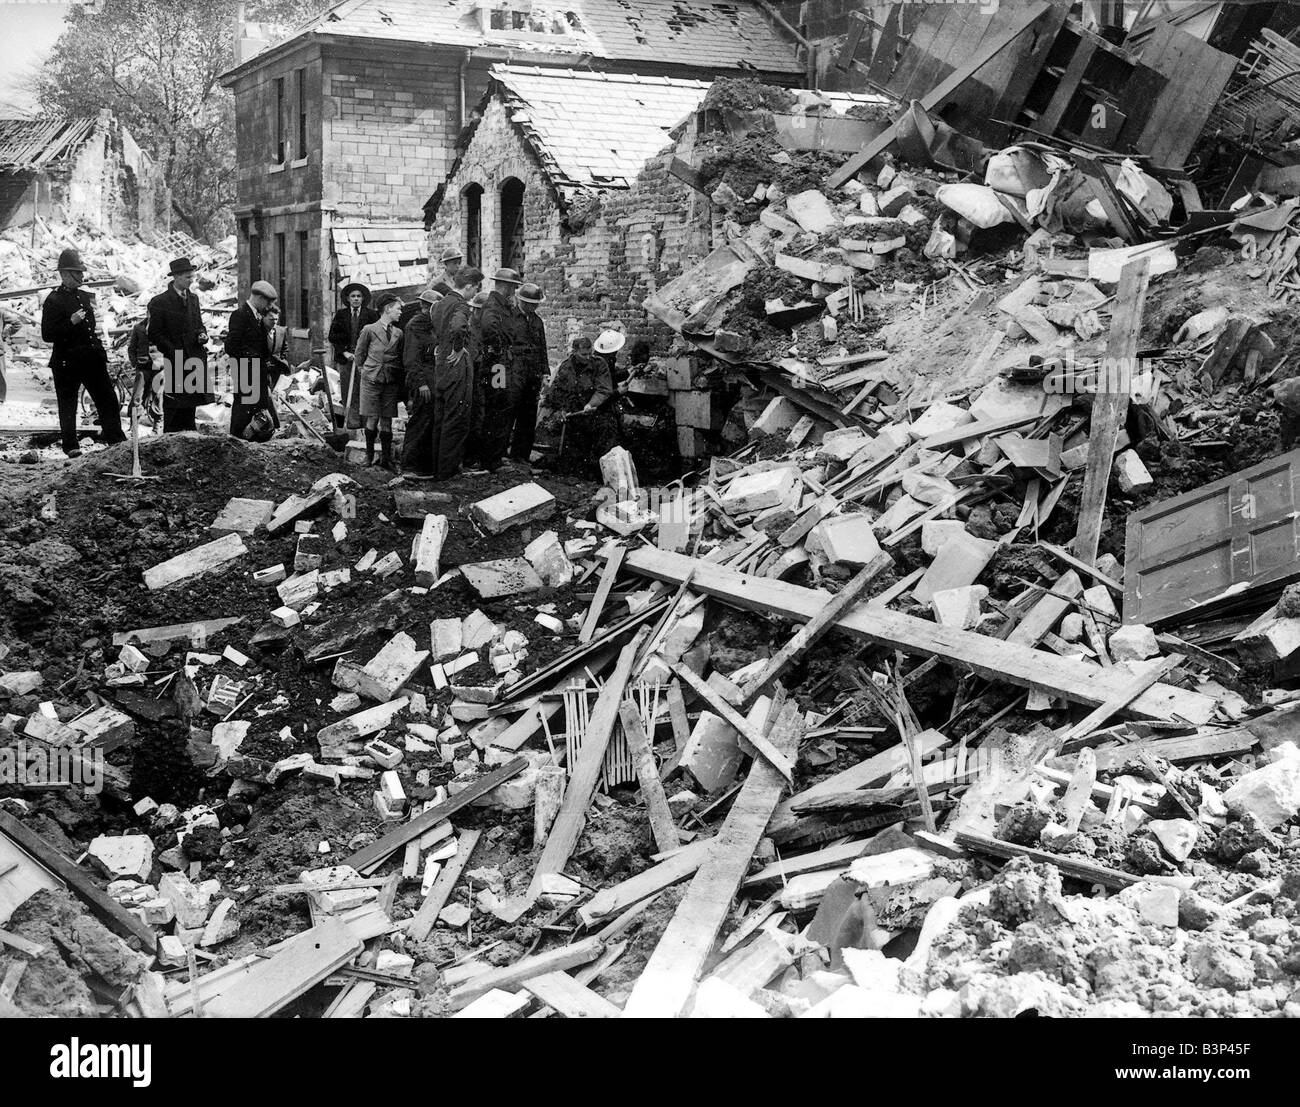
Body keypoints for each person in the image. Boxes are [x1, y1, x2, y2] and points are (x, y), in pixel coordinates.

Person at [40, 248, 126, 457]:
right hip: (67, 362)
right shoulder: (53, 300)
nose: (81, 276)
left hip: (90, 359)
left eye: (81, 273)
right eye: (77, 273)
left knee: (107, 399)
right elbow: (47, 334)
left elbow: (90, 329)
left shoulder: (84, 297)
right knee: (68, 405)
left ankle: (115, 439)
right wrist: (70, 322)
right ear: (64, 274)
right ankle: (71, 446)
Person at [425, 266, 483, 478]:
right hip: (456, 365)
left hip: (441, 364)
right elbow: (458, 327)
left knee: (441, 417)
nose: (475, 293)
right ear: (468, 287)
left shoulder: (439, 304)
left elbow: (437, 330)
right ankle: (448, 471)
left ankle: (437, 467)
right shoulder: (461, 306)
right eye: (475, 289)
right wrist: (458, 349)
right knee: (456, 417)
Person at [147, 257, 213, 433]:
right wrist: (173, 351)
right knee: (175, 402)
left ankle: (189, 435)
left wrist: (202, 334)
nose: (192, 281)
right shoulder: (159, 302)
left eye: (192, 277)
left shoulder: (194, 299)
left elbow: (199, 323)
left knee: (192, 401)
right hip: (175, 358)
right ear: (175, 277)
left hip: (194, 355)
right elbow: (154, 333)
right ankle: (171, 438)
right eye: (187, 277)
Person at [542, 334, 618, 478]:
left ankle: (596, 472)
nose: (588, 357)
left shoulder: (599, 364)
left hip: (596, 412)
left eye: (590, 353)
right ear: (574, 352)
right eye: (584, 354)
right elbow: (557, 392)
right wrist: (562, 410)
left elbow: (603, 390)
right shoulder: (565, 366)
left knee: (606, 430)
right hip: (574, 414)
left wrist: (591, 403)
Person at [477, 267, 525, 472]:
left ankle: (495, 455)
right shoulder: (493, 306)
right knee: (498, 407)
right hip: (497, 365)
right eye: (513, 287)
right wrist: (502, 350)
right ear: (504, 286)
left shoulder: (503, 305)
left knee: (502, 407)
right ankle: (491, 460)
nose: (514, 291)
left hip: (502, 363)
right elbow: (489, 330)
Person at [225, 280, 282, 441]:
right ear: (258, 298)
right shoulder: (240, 315)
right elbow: (231, 346)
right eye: (267, 302)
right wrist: (251, 358)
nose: (268, 307)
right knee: (243, 407)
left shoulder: (257, 316)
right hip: (245, 370)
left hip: (257, 371)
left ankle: (252, 441)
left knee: (257, 408)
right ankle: (237, 440)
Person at [353, 292, 404, 469]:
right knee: (372, 418)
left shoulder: (398, 332)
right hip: (371, 380)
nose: (400, 312)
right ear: (387, 309)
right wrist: (366, 373)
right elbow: (359, 355)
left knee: (387, 419)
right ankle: (369, 456)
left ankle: (386, 459)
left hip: (390, 380)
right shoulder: (369, 329)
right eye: (398, 309)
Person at [400, 288, 442, 477]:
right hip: (422, 379)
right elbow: (411, 359)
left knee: (431, 421)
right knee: (420, 421)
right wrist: (421, 383)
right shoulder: (416, 326)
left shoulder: (432, 325)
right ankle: (409, 465)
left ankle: (425, 466)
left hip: (432, 378)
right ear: (424, 306)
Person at [327, 283, 376, 433]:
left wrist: (365, 354)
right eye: (353, 296)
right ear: (348, 299)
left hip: (366, 360)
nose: (356, 299)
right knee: (349, 389)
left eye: (359, 296)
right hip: (346, 359)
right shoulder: (341, 315)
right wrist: (344, 352)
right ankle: (353, 423)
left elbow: (376, 337)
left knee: (365, 389)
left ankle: (367, 423)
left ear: (363, 299)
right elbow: (333, 337)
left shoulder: (371, 315)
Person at [510, 281, 548, 465]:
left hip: (532, 374)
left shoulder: (537, 321)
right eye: (530, 304)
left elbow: (542, 348)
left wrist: (545, 372)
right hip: (514, 371)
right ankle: (503, 453)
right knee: (509, 412)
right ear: (521, 302)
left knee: (528, 415)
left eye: (535, 305)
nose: (533, 307)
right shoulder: (510, 318)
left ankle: (521, 455)